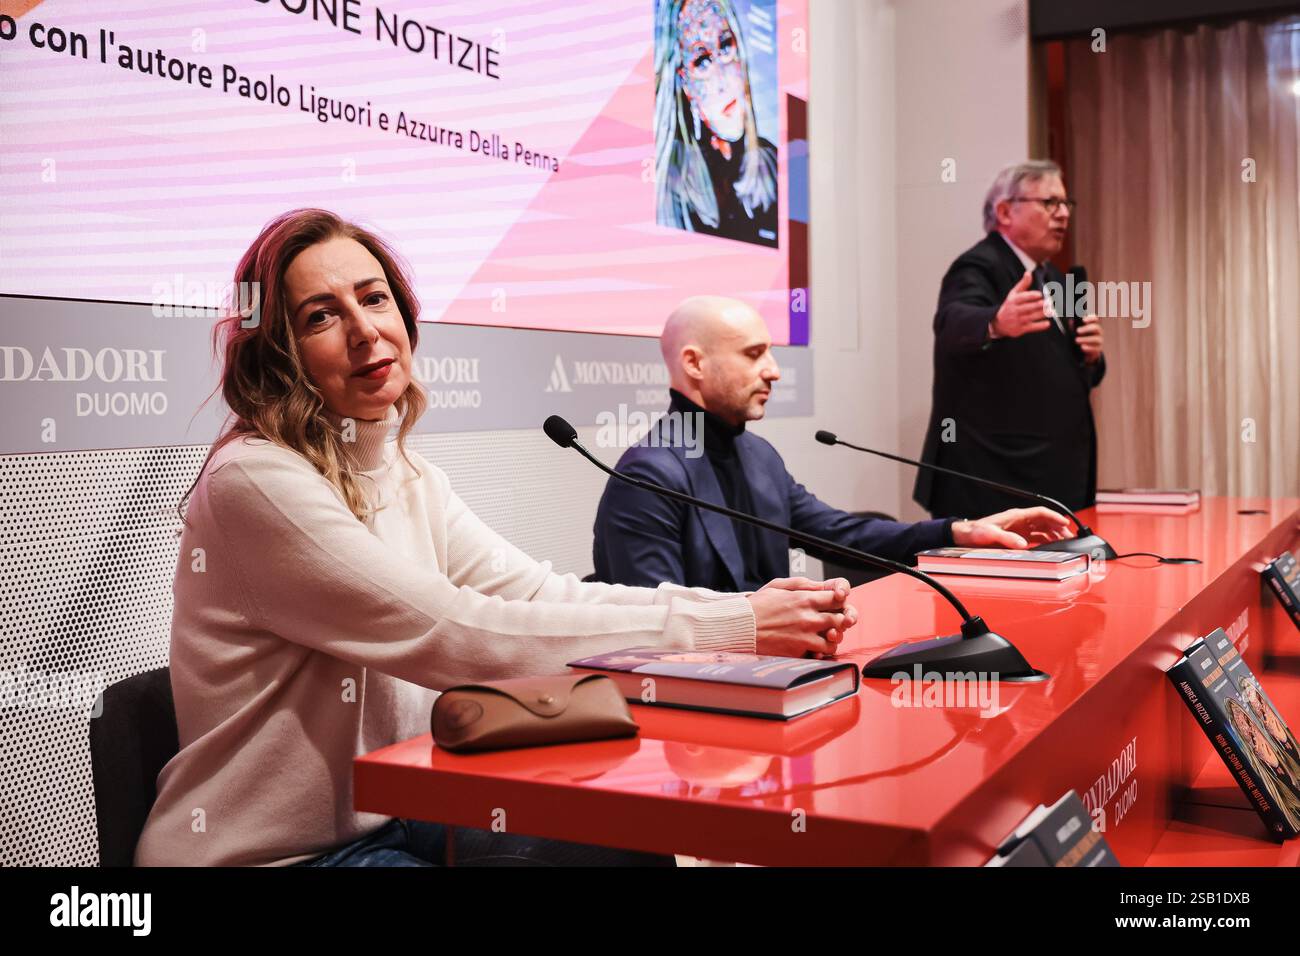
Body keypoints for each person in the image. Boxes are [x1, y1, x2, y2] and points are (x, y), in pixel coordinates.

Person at [134, 210, 859, 868]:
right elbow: (458, 632)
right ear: (279, 352)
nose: (364, 330)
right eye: (322, 315)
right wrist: (734, 625)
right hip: (275, 857)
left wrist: (754, 612)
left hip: (400, 812)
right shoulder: (254, 482)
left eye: (374, 297)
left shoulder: (406, 472)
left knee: (632, 849)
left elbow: (541, 593)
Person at [591, 296, 1072, 591]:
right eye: (754, 354)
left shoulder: (758, 455)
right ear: (694, 364)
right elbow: (655, 625)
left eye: (772, 352)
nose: (774, 370)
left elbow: (843, 534)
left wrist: (958, 532)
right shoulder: (648, 476)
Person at [914, 160, 1106, 519]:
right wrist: (995, 322)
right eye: (1049, 203)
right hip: (991, 481)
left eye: (1066, 204)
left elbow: (1074, 374)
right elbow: (952, 322)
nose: (1063, 214)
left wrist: (1093, 357)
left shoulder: (1059, 279)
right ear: (1004, 211)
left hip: (1056, 476)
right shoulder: (976, 266)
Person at [654, 0, 778, 247]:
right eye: (702, 61)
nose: (723, 79)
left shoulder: (771, 163)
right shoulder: (674, 187)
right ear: (684, 83)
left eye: (725, 46)